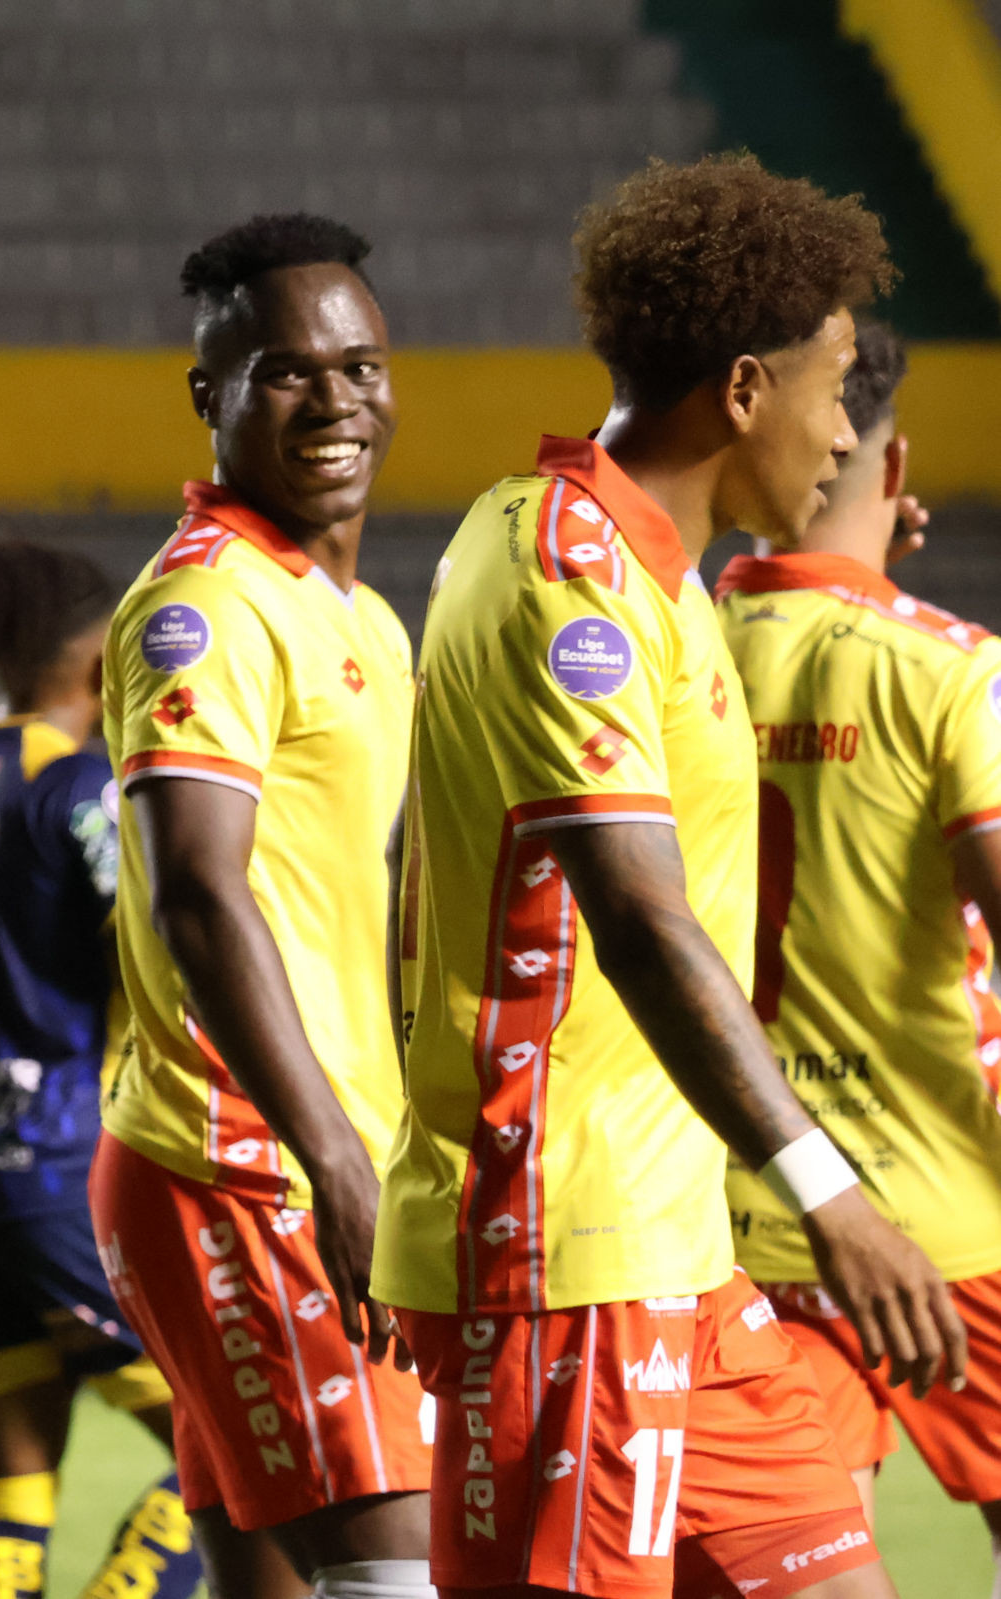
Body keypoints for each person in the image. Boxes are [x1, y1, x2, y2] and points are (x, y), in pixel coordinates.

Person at [377, 154, 967, 1599]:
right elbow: (633, 912)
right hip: (562, 1244)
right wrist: (825, 1186)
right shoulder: (567, 573)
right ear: (747, 387)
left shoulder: (657, 580)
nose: (844, 435)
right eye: (832, 386)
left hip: (675, 1242)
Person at [90, 213, 429, 1599]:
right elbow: (198, 892)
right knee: (398, 1568)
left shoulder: (359, 616)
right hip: (241, 1157)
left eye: (359, 365)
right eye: (288, 371)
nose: (335, 399)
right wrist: (337, 1157)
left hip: (294, 1155)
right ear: (209, 393)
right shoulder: (206, 607)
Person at [715, 320, 1001, 1583]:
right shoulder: (949, 674)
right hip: (951, 1224)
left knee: (822, 1553)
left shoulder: (676, 653)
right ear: (892, 469)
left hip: (754, 1222)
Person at [0, 539, 207, 1599]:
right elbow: (161, 936)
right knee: (223, 1453)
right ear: (98, 655)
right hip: (59, 1165)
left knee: (15, 1484)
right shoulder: (77, 785)